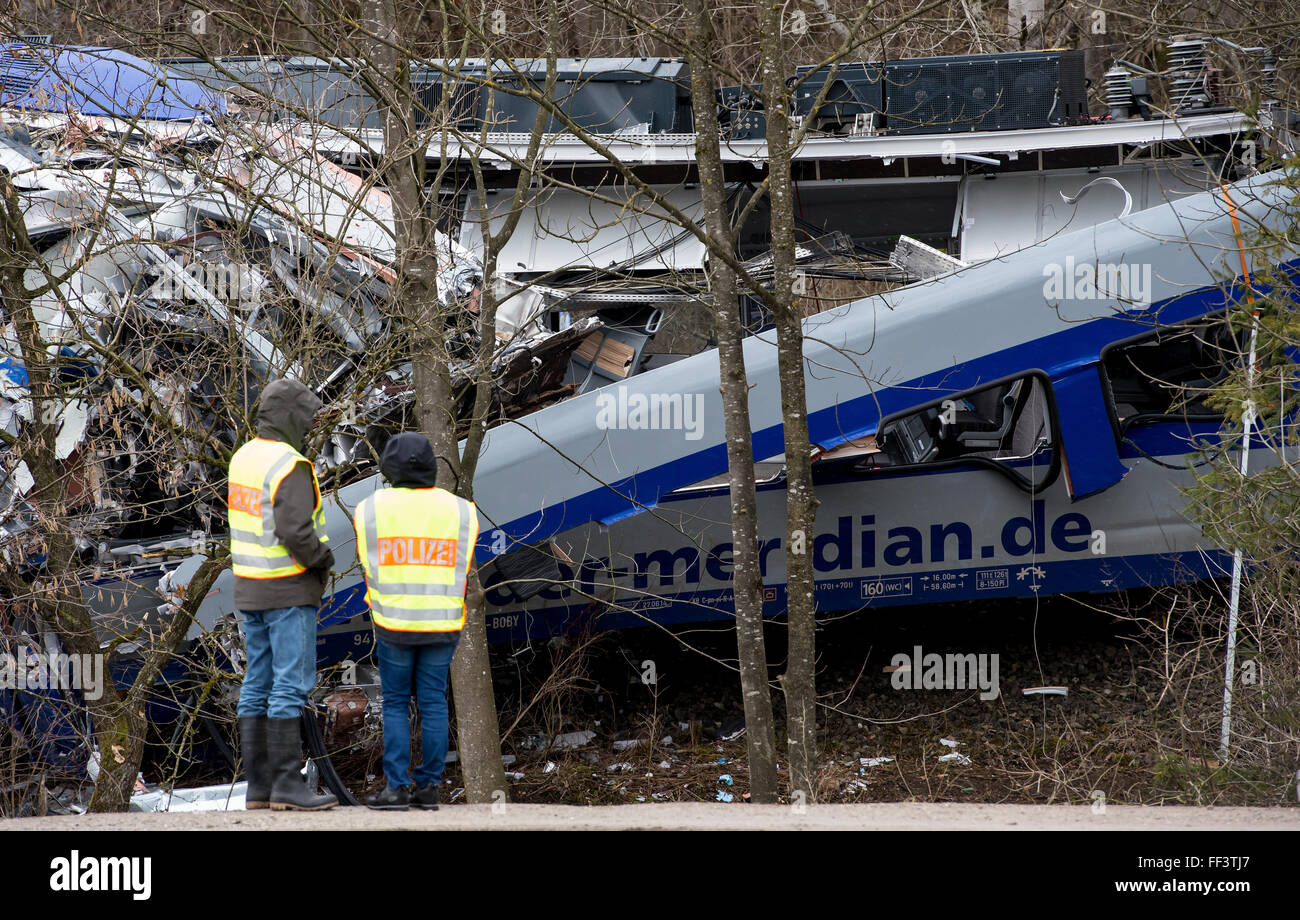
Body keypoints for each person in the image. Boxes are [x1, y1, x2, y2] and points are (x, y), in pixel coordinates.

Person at [351, 432, 478, 811]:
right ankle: (429, 789)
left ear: (389, 469)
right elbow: (465, 565)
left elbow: (366, 561)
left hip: (394, 624)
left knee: (394, 704)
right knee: (434, 702)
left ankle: (397, 789)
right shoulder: (462, 511)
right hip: (443, 623)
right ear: (431, 466)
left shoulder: (369, 509)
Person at [228, 378, 338, 811]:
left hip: (250, 589)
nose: (310, 426)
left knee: (256, 684)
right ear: (291, 418)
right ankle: (289, 787)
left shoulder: (243, 458)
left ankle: (260, 789)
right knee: (290, 685)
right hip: (289, 589)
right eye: (307, 418)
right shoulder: (289, 464)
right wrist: (322, 559)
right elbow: (296, 531)